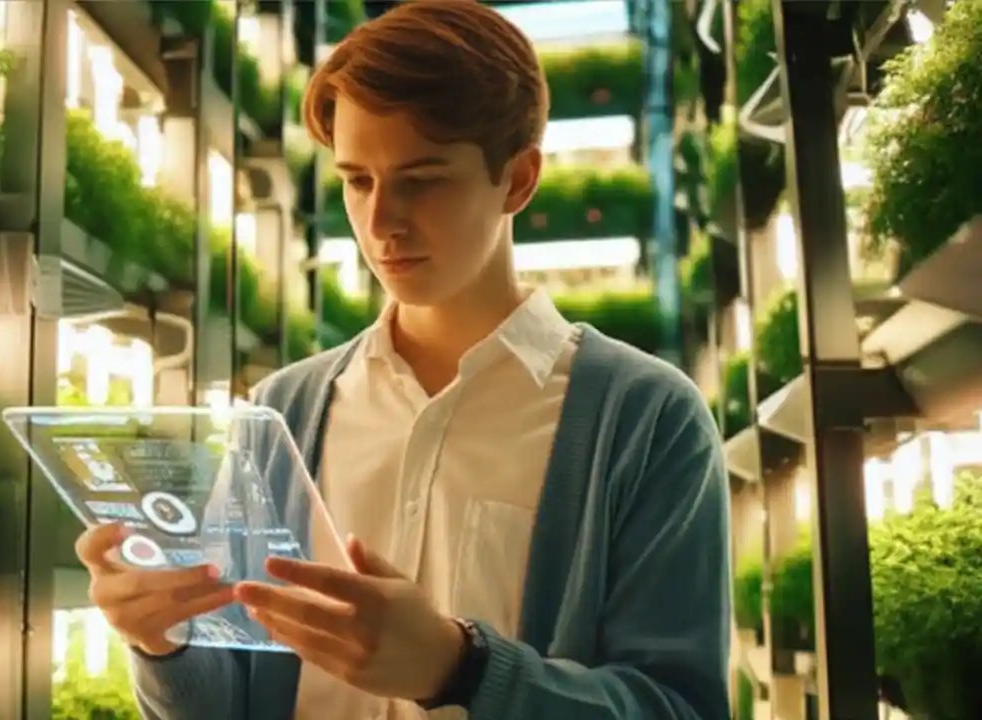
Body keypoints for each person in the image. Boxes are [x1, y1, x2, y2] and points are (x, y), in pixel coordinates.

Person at [74, 0, 731, 718]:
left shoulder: (645, 420)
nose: (382, 221)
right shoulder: (283, 413)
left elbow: (682, 707)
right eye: (358, 180)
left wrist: (461, 667)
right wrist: (161, 640)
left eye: (422, 180)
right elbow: (226, 703)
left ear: (517, 180)